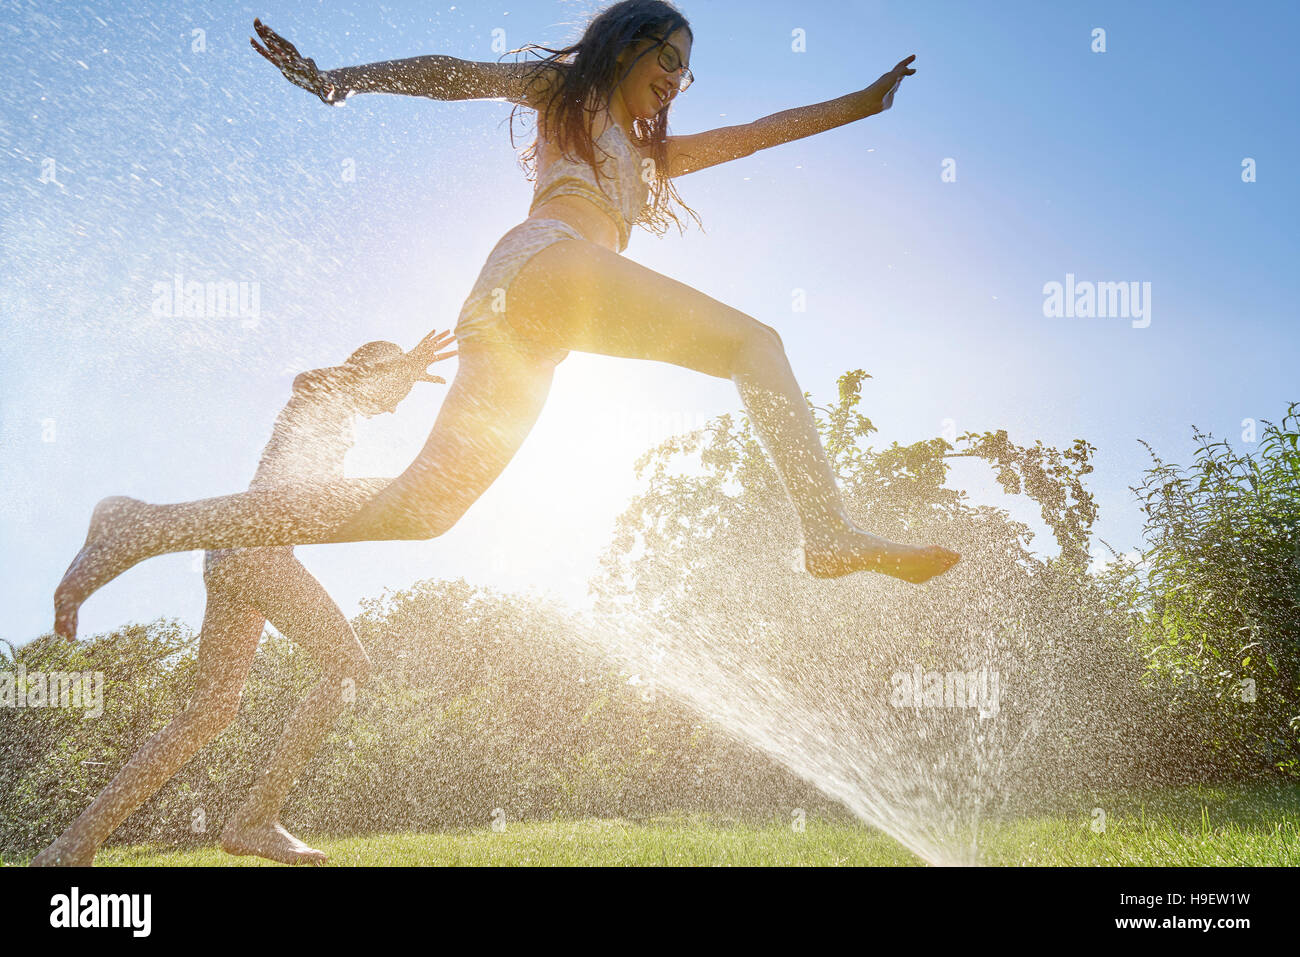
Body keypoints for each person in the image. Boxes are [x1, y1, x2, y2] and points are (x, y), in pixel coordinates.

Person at [52, 0, 959, 643]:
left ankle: (144, 523)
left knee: (420, 509)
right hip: (541, 268)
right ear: (626, 45)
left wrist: (859, 105)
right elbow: (456, 74)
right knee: (755, 343)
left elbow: (761, 130)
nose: (678, 80)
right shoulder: (570, 96)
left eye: (688, 69)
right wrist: (340, 82)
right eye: (669, 57)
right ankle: (827, 531)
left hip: (527, 327)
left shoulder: (653, 160)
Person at [34, 333, 457, 865]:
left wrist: (400, 373)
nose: (398, 403)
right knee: (349, 665)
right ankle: (257, 818)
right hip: (255, 554)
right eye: (398, 388)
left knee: (208, 712)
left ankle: (72, 846)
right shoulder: (321, 393)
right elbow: (320, 379)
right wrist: (398, 367)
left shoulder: (340, 419)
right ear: (372, 369)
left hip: (232, 558)